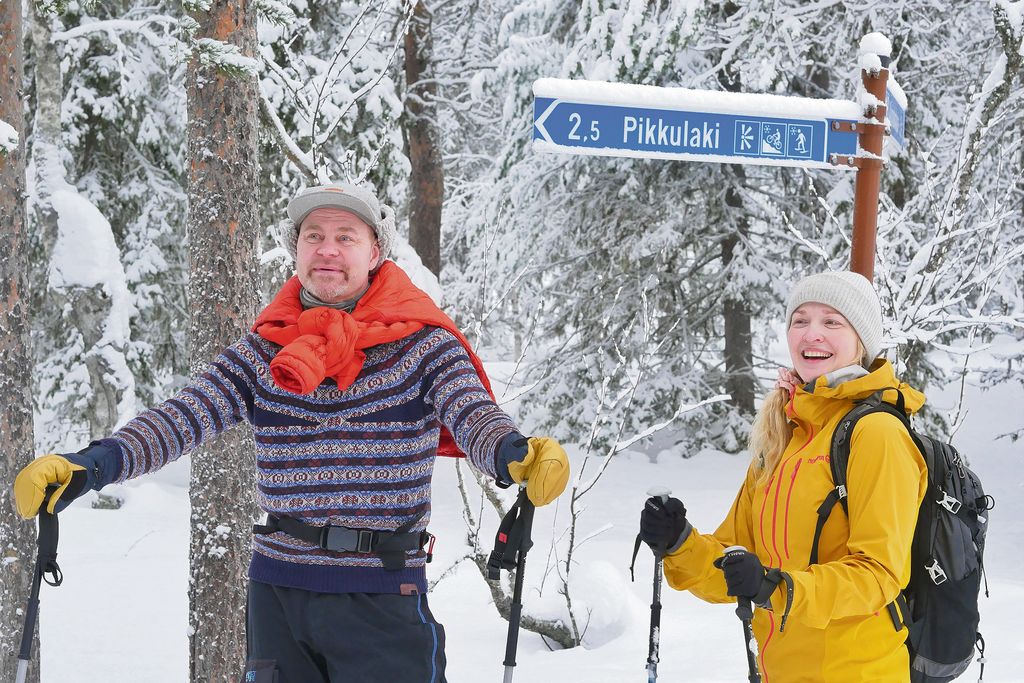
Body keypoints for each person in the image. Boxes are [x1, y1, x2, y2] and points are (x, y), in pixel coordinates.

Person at [13, 182, 570, 683]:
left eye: (345, 236)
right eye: (313, 235)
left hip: (381, 593)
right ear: (296, 250)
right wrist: (95, 464)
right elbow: (182, 416)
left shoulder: (424, 346)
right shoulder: (265, 350)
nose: (327, 249)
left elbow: (471, 413)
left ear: (375, 252)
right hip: (279, 594)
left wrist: (512, 454)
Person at [639, 271, 927, 682]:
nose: (812, 334)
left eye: (832, 322)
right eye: (800, 320)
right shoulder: (783, 437)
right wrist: (679, 541)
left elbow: (878, 575)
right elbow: (734, 561)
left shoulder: (876, 434)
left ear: (861, 340)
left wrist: (775, 587)